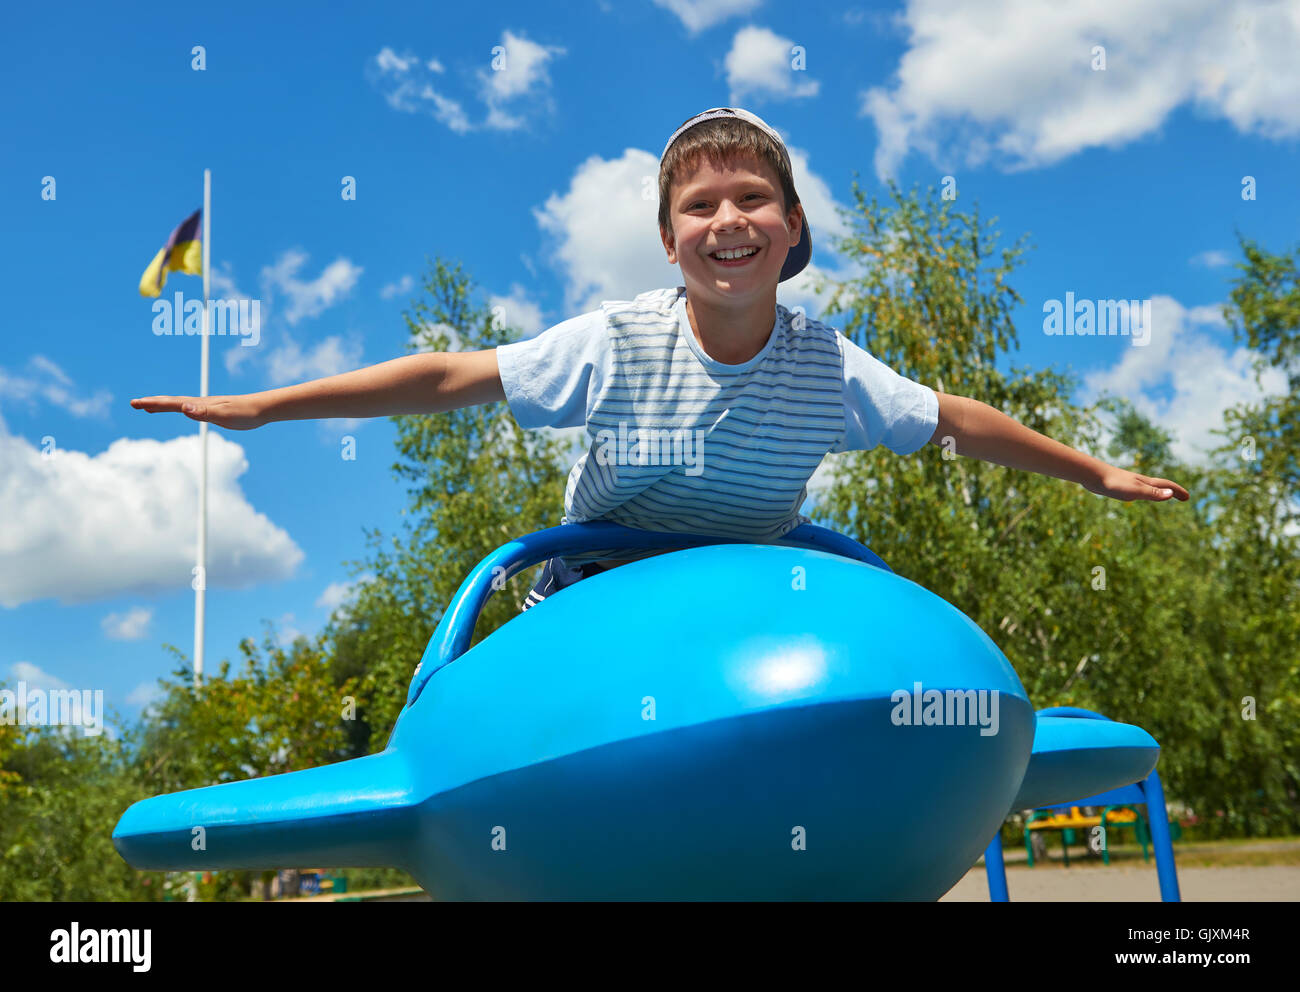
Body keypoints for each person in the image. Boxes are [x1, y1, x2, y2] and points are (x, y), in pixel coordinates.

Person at [131, 107, 1189, 614]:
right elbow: (454, 376)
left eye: (751, 200)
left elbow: (958, 418)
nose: (727, 219)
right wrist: (269, 404)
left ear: (790, 228)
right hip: (598, 580)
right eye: (699, 206)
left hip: (743, 582)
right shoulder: (617, 338)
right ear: (670, 239)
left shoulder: (826, 365)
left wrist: (1096, 470)